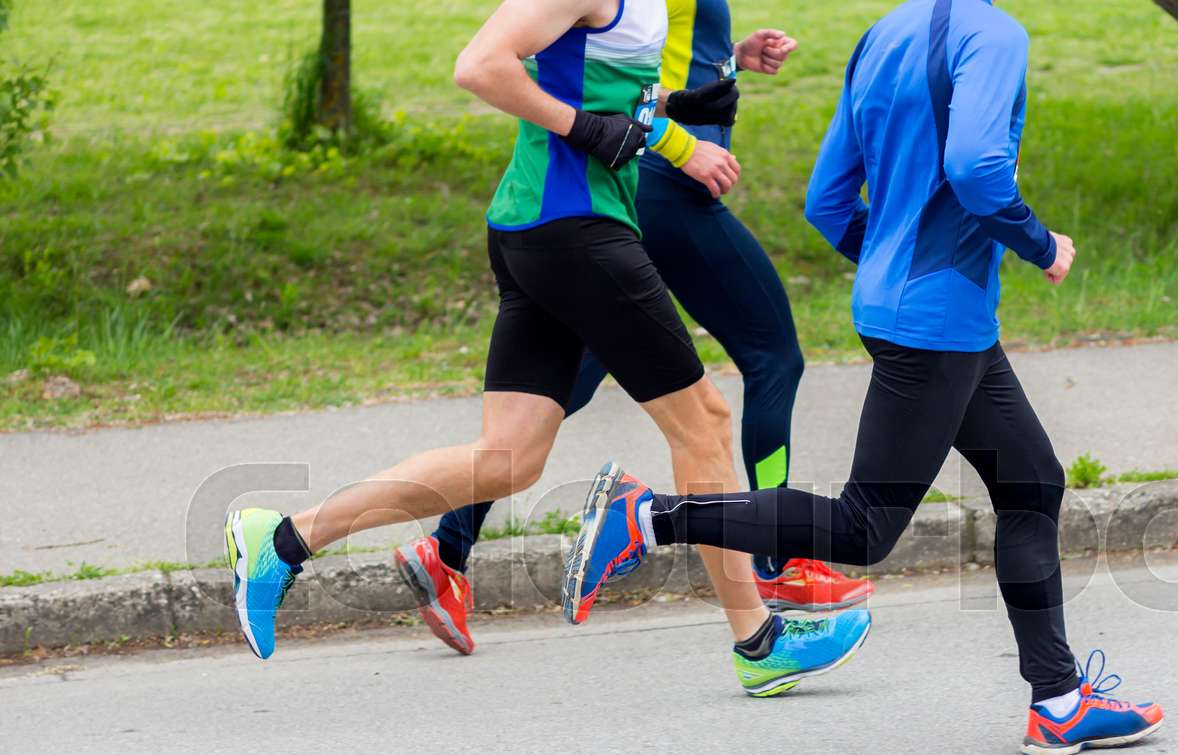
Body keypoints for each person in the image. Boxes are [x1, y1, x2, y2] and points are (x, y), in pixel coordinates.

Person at [561, 0, 1166, 755]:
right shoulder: (995, 35)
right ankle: (648, 519)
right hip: (937, 321)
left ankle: (1059, 699)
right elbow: (977, 167)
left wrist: (887, 265)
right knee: (864, 526)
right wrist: (1039, 245)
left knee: (1033, 484)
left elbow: (826, 201)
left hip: (921, 313)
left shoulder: (884, 34)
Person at [223, 0, 870, 698]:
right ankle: (759, 639)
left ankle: (283, 540)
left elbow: (600, 87)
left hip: (548, 228)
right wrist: (585, 127)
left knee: (506, 460)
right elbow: (480, 67)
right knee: (706, 423)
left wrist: (684, 102)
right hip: (575, 230)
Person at [398, 2, 874, 658]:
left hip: (626, 193)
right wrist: (684, 149)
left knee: (568, 383)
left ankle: (446, 548)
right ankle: (774, 558)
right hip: (655, 188)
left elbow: (649, 55)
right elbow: (617, 79)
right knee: (771, 357)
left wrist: (732, 56)